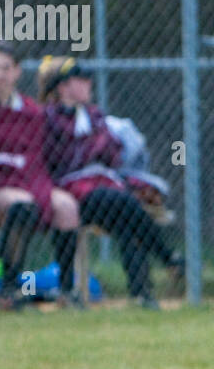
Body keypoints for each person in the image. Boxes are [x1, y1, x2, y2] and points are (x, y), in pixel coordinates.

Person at [38, 55, 181, 310]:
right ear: (63, 87)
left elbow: (113, 156)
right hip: (70, 192)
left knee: (127, 221)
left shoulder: (93, 115)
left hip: (103, 189)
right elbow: (59, 159)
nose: (88, 84)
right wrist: (91, 148)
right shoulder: (49, 118)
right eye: (80, 80)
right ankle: (168, 258)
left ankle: (142, 294)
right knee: (124, 204)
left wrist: (97, 148)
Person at [0, 42, 81, 310]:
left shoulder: (29, 110)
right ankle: (8, 290)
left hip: (26, 180)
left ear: (17, 73)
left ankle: (67, 291)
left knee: (67, 208)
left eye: (5, 68)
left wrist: (37, 188)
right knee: (22, 205)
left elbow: (34, 160)